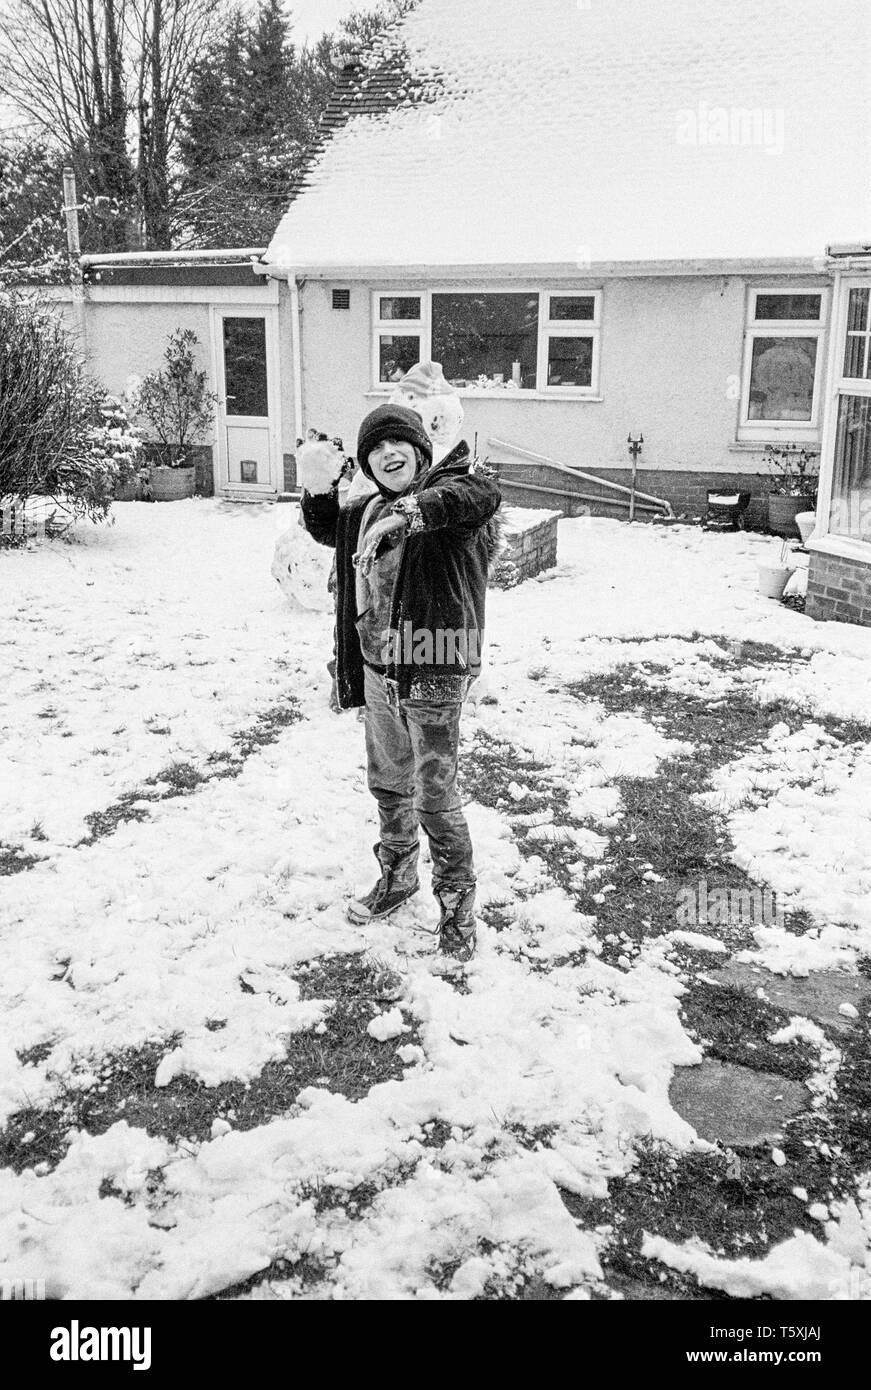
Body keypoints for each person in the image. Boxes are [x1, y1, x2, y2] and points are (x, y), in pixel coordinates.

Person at [297, 390, 501, 962]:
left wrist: (413, 513)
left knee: (435, 797)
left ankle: (458, 911)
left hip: (434, 664)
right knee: (389, 785)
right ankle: (398, 877)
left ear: (419, 450)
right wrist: (316, 488)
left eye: (399, 444)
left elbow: (480, 492)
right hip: (378, 670)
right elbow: (330, 534)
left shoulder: (446, 504)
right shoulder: (367, 512)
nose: (388, 455)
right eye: (375, 449)